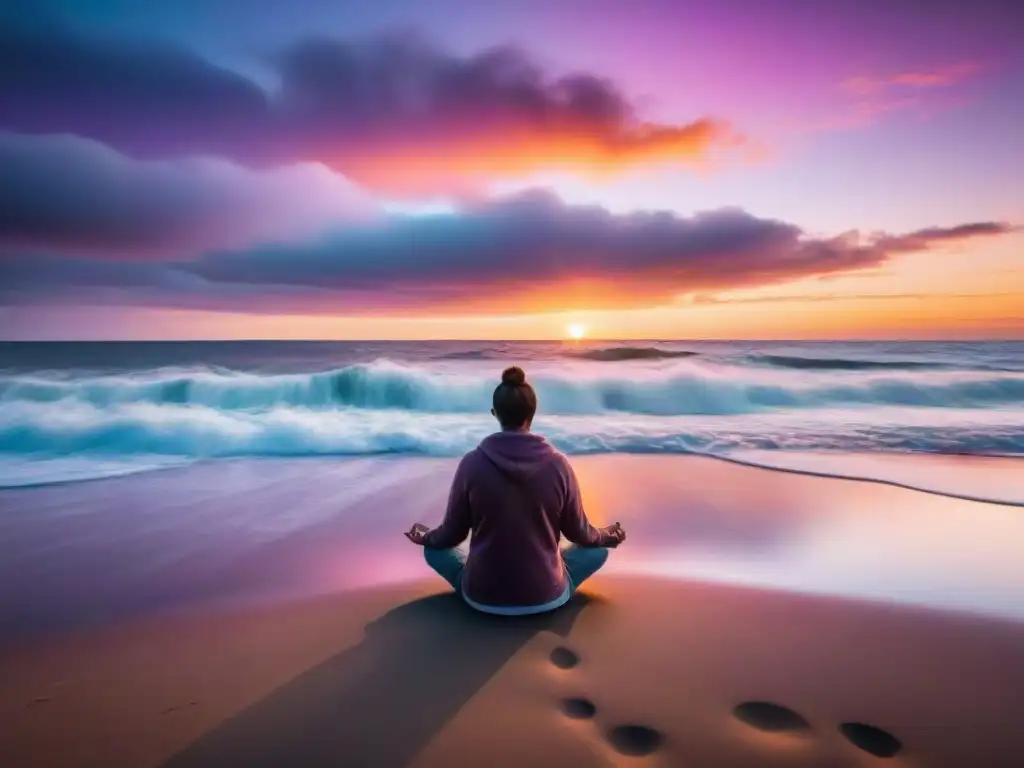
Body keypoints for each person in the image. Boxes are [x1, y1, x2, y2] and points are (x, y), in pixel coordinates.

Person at [404, 365, 626, 615]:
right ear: (533, 413)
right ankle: (548, 574)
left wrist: (426, 537)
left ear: (494, 413)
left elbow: (451, 535)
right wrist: (604, 536)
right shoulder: (558, 464)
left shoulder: (471, 463)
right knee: (598, 551)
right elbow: (580, 534)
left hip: (482, 598)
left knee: (434, 551)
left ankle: (486, 580)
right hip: (546, 598)